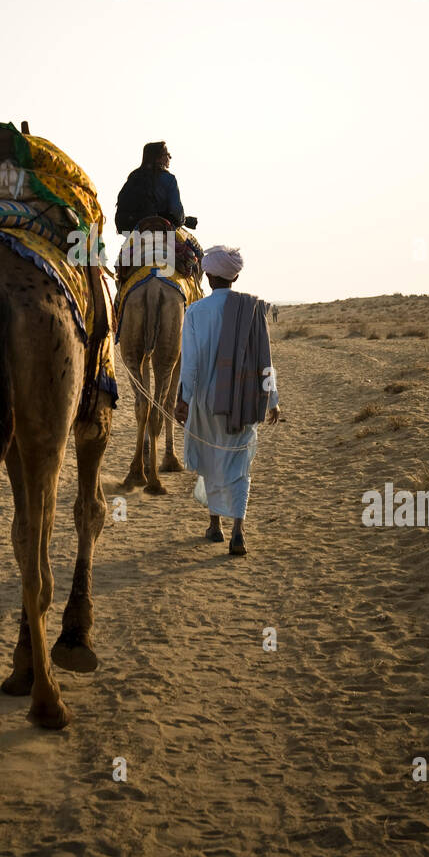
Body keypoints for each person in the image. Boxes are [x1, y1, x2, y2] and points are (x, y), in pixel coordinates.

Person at [174, 245, 279, 555]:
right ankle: (238, 532)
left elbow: (189, 364)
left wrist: (183, 399)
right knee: (238, 465)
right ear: (234, 276)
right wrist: (272, 399)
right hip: (243, 399)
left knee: (210, 460)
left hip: (206, 402)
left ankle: (215, 524)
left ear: (208, 277)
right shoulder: (252, 310)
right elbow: (265, 359)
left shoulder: (195, 312)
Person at [115, 142, 186, 234]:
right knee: (188, 246)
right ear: (158, 158)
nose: (169, 157)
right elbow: (176, 209)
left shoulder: (134, 176)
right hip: (159, 228)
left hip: (134, 229)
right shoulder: (169, 179)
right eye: (167, 154)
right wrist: (183, 220)